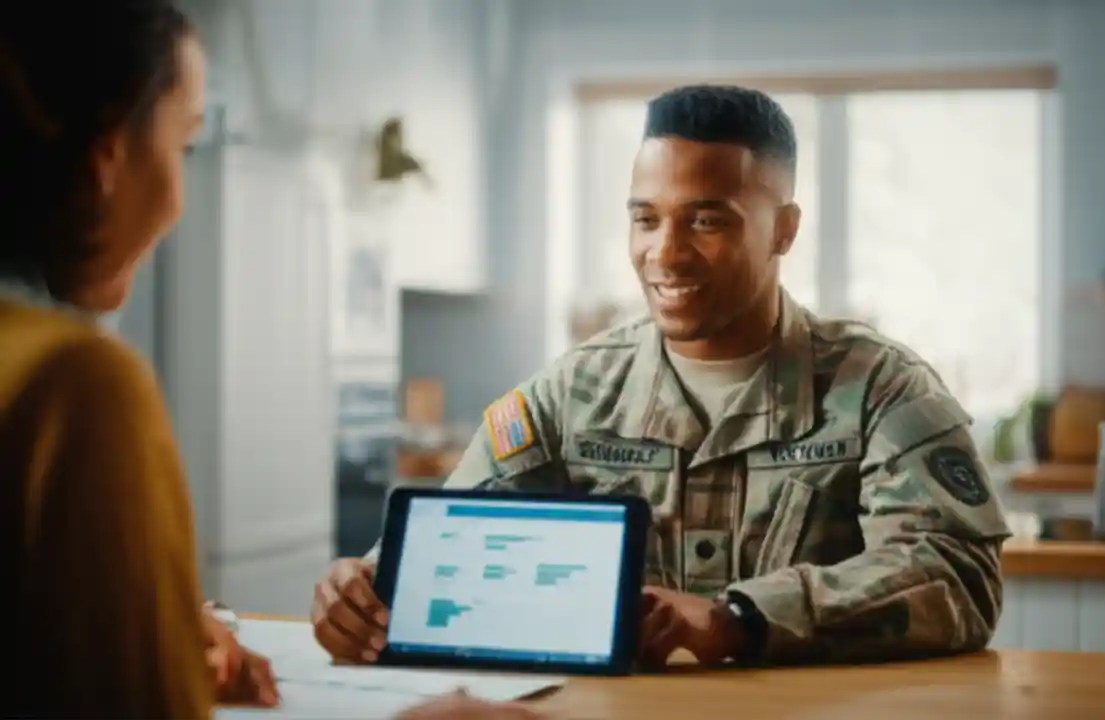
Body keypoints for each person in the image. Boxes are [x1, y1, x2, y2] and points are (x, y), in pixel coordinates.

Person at [313, 84, 1012, 668]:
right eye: (645, 220)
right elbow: (451, 541)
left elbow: (958, 575)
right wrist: (369, 586)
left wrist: (741, 619)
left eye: (706, 220)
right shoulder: (571, 392)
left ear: (785, 231)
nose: (665, 255)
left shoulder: (882, 387)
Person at [0, 3, 540, 718]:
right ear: (107, 155)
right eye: (184, 145)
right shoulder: (72, 386)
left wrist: (162, 628)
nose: (181, 202)